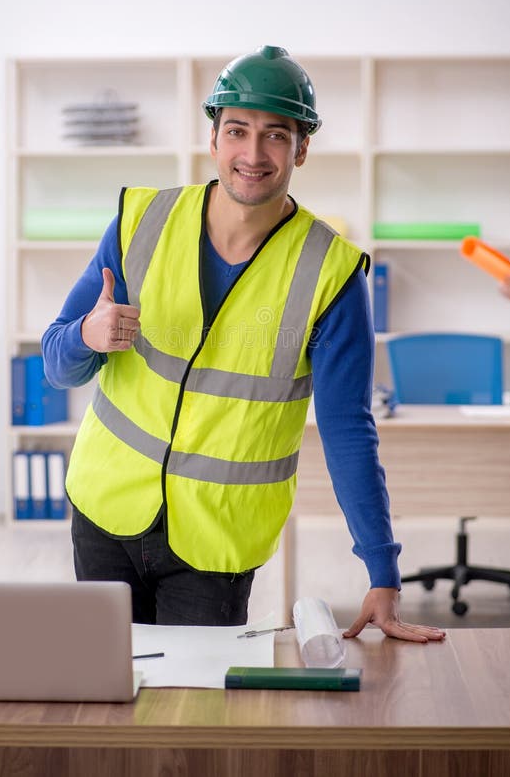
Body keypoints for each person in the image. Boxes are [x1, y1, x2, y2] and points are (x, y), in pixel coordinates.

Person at [42, 45, 445, 643]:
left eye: (276, 135)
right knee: (107, 702)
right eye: (237, 130)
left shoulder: (331, 274)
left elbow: (348, 429)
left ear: (302, 148)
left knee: (194, 723)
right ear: (214, 138)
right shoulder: (142, 221)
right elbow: (58, 363)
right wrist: (87, 336)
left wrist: (382, 570)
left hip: (216, 543)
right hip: (104, 510)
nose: (253, 154)